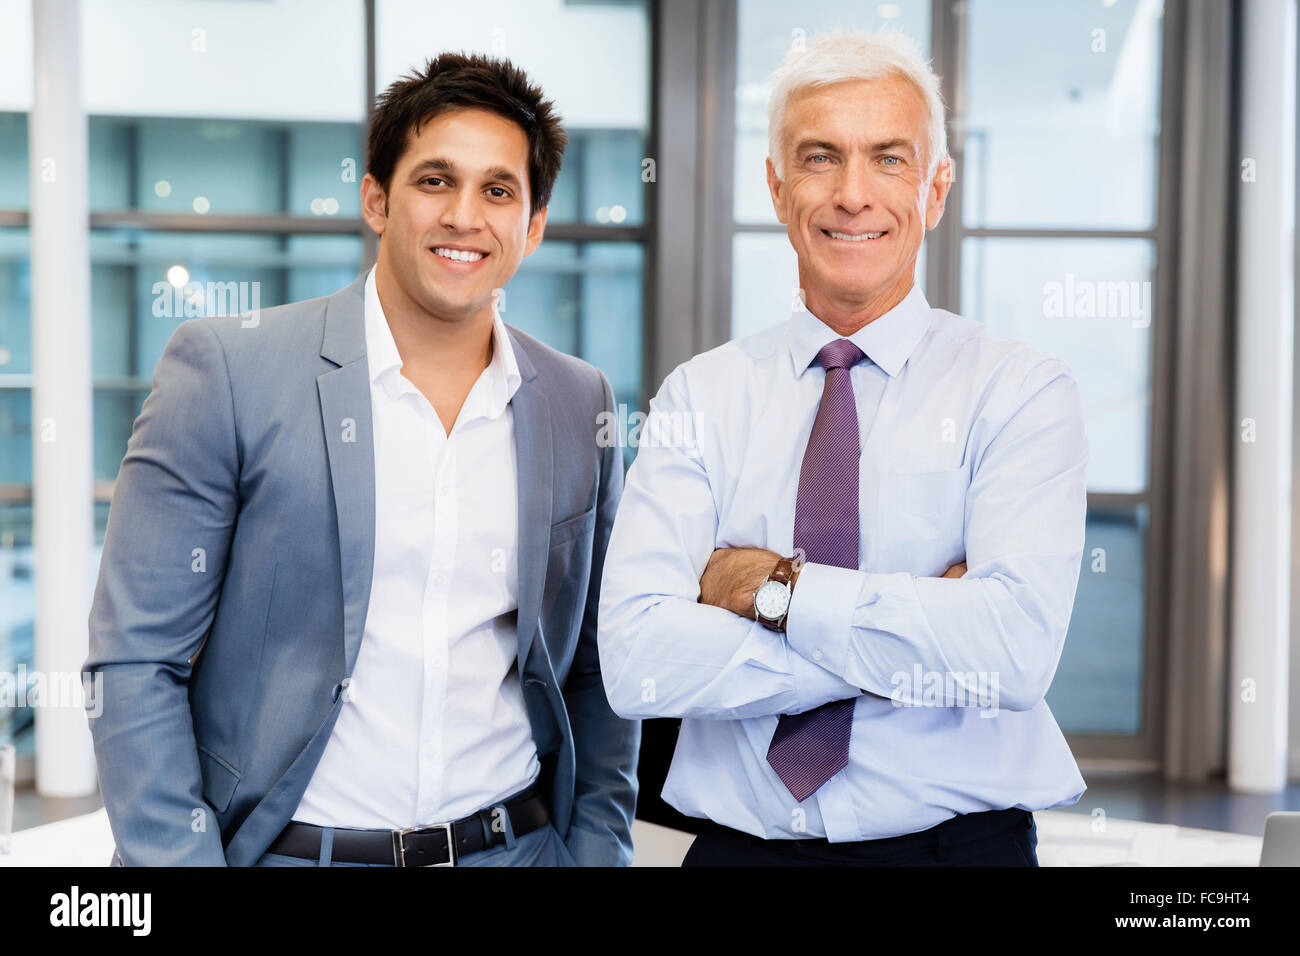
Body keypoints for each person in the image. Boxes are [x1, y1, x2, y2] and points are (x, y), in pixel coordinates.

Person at [85, 52, 639, 867]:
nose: (464, 216)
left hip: (516, 848)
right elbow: (135, 662)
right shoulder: (228, 370)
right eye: (434, 181)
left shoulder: (575, 399)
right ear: (376, 199)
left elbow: (598, 662)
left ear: (536, 223)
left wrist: (596, 849)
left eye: (498, 190)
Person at [598, 28, 1087, 867]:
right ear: (777, 188)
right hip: (739, 853)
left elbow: (1011, 656)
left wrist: (773, 590)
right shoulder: (701, 396)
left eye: (889, 159)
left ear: (935, 190)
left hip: (957, 854)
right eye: (820, 157)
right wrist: (916, 632)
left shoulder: (1021, 392)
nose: (853, 194)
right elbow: (639, 663)